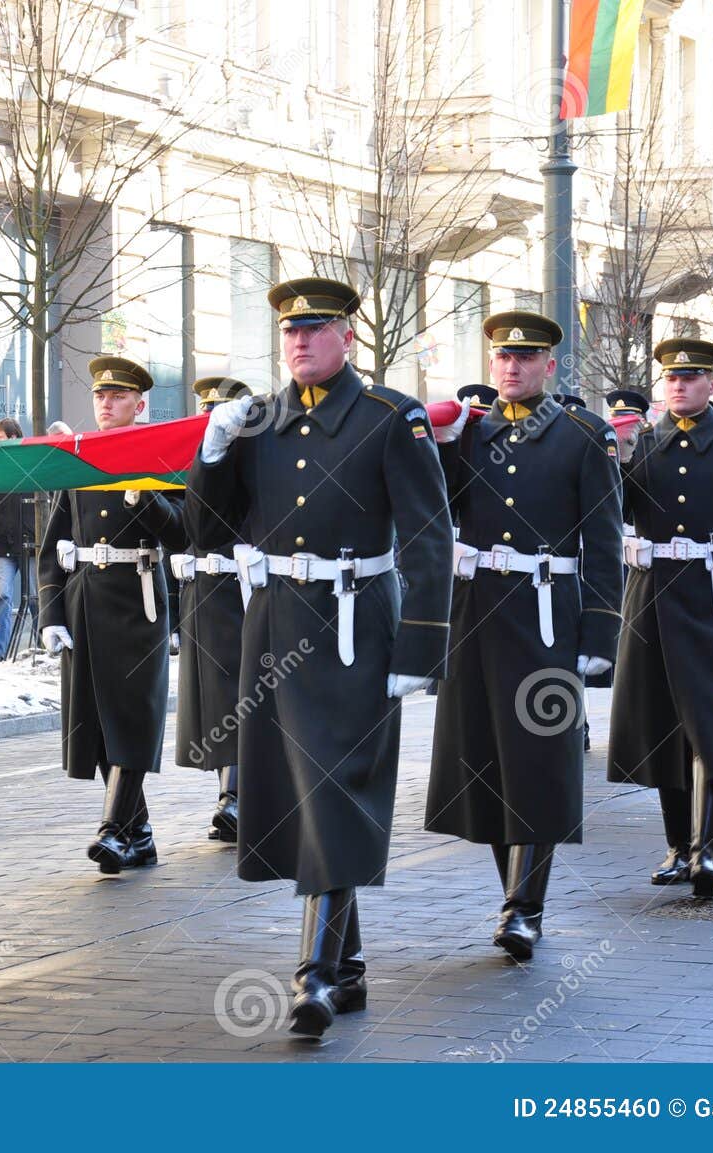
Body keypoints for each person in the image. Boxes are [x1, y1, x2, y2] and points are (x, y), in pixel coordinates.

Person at [184, 278, 452, 1037]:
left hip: (354, 628)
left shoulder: (389, 419)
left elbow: (430, 537)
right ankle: (351, 964)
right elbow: (208, 533)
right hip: (275, 629)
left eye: (315, 329)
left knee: (338, 793)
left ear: (348, 337)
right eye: (290, 332)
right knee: (306, 797)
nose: (299, 342)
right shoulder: (260, 422)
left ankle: (316, 974)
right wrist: (211, 452)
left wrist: (420, 646)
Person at [425, 311, 623, 961]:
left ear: (549, 366)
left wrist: (600, 630)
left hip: (545, 614)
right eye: (502, 359)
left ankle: (523, 906)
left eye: (525, 358)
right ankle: (512, 890)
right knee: (479, 758)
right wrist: (444, 439)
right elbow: (437, 508)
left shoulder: (581, 436)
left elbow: (604, 540)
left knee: (538, 757)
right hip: (477, 611)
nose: (511, 368)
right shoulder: (470, 437)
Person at [607, 338, 713, 897]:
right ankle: (678, 846)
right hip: (653, 597)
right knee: (661, 725)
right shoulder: (645, 444)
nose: (679, 386)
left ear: (711, 385)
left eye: (691, 378)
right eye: (671, 379)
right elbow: (615, 513)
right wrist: (623, 459)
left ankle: (707, 850)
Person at [39, 357, 186, 873]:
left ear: (139, 404)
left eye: (118, 396)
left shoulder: (161, 455)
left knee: (132, 715)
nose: (106, 403)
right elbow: (53, 540)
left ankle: (112, 829)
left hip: (138, 598)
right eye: (101, 395)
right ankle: (137, 831)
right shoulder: (81, 458)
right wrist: (51, 611)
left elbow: (184, 533)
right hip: (85, 599)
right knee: (99, 722)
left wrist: (144, 496)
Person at [171, 377, 253, 841]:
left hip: (239, 588)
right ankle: (230, 793)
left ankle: (236, 796)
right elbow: (184, 527)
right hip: (201, 589)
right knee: (210, 701)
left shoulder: (251, 461)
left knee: (237, 693)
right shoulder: (191, 462)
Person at [0, 418, 35, 660]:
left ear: (13, 437)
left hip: (33, 543)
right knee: (2, 596)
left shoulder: (32, 464)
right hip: (2, 544)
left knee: (36, 598)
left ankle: (44, 648)